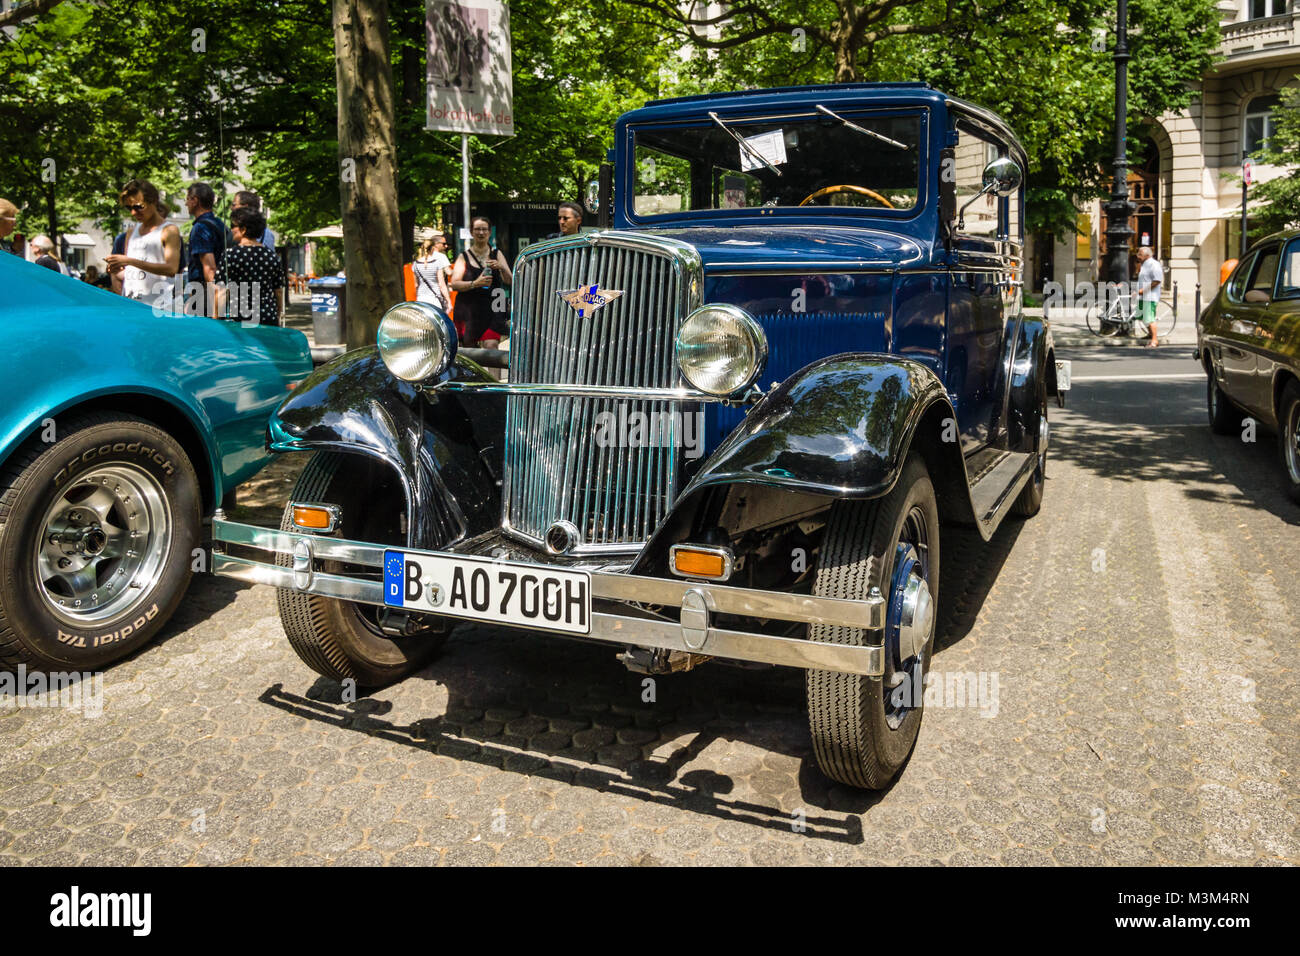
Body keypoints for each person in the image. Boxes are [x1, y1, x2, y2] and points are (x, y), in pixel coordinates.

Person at [104, 180, 181, 303]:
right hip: (131, 305)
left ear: (154, 201)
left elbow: (171, 269)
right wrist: (116, 269)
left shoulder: (169, 230)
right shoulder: (131, 232)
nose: (133, 212)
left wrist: (129, 261)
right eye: (129, 208)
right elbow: (131, 272)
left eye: (139, 207)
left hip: (158, 307)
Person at [449, 216, 512, 347]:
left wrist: (501, 268)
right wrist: (475, 283)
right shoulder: (463, 257)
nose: (481, 233)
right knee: (470, 350)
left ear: (489, 232)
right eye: (477, 229)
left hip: (494, 306)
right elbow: (454, 284)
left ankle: (493, 367)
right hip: (469, 309)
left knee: (491, 345)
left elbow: (510, 281)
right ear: (471, 232)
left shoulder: (497, 254)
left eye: (484, 229)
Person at [218, 206, 286, 325]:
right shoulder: (272, 256)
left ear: (243, 230)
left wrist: (217, 318)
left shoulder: (231, 255)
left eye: (233, 226)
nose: (231, 229)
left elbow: (222, 290)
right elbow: (278, 290)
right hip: (267, 316)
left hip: (240, 317)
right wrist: (279, 312)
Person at [185, 182, 229, 319]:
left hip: (204, 293)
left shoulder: (200, 228)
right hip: (221, 290)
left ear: (195, 200)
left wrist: (215, 311)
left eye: (187, 199)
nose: (186, 203)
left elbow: (210, 269)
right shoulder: (220, 224)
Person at [412, 236, 450, 311]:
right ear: (432, 248)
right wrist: (448, 301)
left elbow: (416, 285)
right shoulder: (437, 263)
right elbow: (441, 285)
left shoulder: (415, 264)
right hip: (435, 299)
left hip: (421, 299)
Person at [1136, 245, 1163, 348]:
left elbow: (1157, 281)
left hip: (1150, 296)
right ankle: (1150, 335)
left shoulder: (1154, 264)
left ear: (1147, 255)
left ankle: (1154, 340)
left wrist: (1144, 290)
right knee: (1143, 317)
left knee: (1150, 318)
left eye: (1140, 254)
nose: (1138, 256)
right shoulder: (1144, 264)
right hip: (1144, 296)